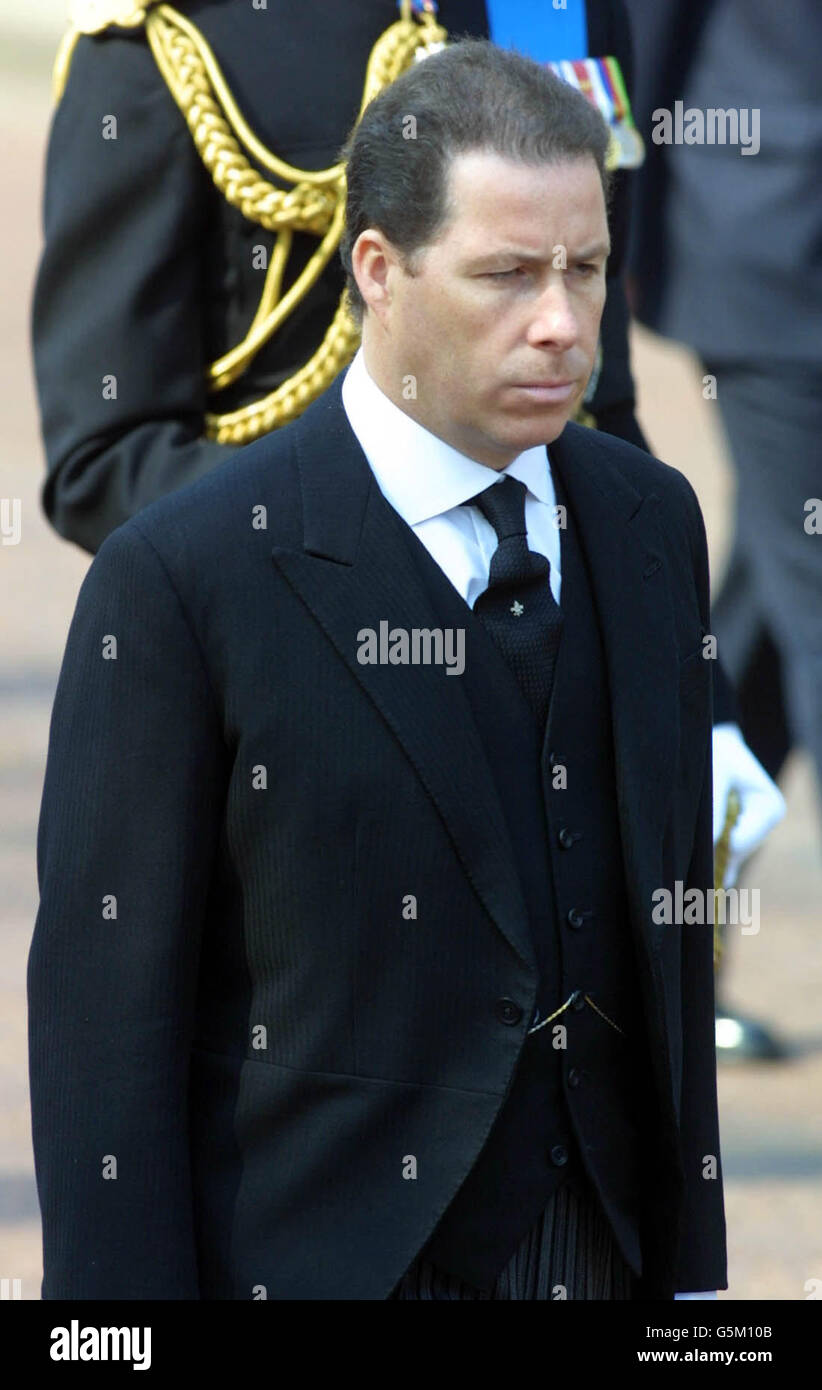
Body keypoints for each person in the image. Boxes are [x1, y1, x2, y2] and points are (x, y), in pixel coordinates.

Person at [29, 38, 726, 1300]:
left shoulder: (649, 522)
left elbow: (663, 952)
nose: (562, 324)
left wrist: (695, 1281)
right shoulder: (187, 578)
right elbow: (106, 1021)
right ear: (378, 272)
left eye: (586, 269)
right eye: (506, 275)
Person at [625, 0, 820, 1055]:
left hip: (770, 236)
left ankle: (665, 950)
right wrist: (611, 222)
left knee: (764, 610)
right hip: (776, 248)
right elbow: (642, 31)